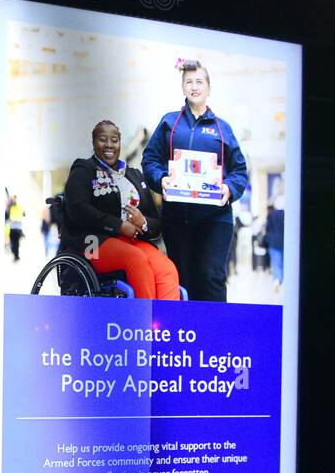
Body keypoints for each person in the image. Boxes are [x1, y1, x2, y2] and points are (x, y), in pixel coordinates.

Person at [142, 59, 249, 303]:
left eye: (199, 81)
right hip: (178, 218)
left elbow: (240, 170)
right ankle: (186, 335)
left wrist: (229, 188)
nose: (194, 86)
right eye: (189, 82)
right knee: (182, 277)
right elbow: (149, 159)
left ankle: (214, 333)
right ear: (183, 88)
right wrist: (162, 179)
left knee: (210, 276)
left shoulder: (223, 129)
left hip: (215, 220)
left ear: (208, 88)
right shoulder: (170, 123)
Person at [62, 119, 180, 300]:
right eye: (103, 139)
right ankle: (142, 323)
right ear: (94, 142)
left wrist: (144, 223)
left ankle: (165, 323)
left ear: (119, 142)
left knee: (167, 269)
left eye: (114, 140)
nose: (109, 144)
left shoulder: (134, 175)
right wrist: (119, 226)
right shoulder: (84, 169)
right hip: (92, 241)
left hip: (133, 241)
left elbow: (156, 222)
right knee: (136, 260)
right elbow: (78, 209)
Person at [8, 195, 25, 261]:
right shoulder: (19, 207)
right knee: (15, 243)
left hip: (14, 228)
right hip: (16, 228)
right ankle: (16, 255)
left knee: (14, 243)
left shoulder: (11, 207)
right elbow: (24, 215)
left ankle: (16, 255)